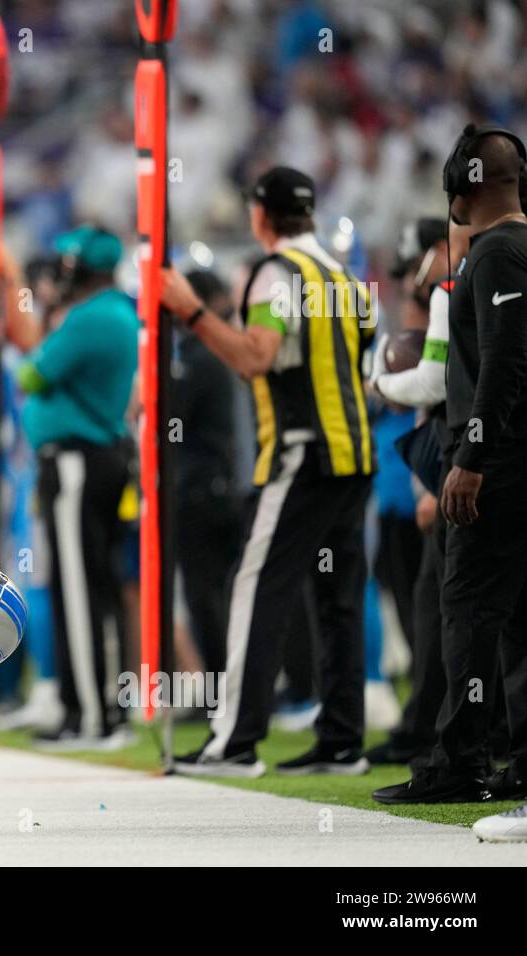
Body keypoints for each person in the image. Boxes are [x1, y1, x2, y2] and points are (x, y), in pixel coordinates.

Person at [159, 166, 375, 777]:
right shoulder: (344, 275)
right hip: (354, 453)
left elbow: (255, 358)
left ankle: (235, 742)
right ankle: (341, 741)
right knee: (338, 601)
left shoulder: (275, 274)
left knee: (255, 588)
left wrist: (193, 312)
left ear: (261, 214)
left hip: (303, 451)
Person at [375, 127, 527, 826]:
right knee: (516, 623)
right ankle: (513, 758)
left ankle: (459, 763)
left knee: (466, 613)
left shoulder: (498, 252)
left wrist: (469, 456)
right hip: (515, 463)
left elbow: (502, 361)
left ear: (465, 187)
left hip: (495, 470)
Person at [16, 226, 138, 749]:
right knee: (88, 588)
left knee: (80, 591)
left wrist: (44, 315)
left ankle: (91, 715)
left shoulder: (93, 317)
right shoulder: (110, 312)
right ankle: (90, 707)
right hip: (86, 461)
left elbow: (32, 375)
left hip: (77, 463)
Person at [364, 218, 463, 767]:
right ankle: (427, 723)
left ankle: (447, 729)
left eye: (411, 273)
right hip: (423, 469)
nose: (406, 291)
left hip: (441, 470)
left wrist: (432, 482)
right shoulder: (443, 291)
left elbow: (434, 383)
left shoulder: (454, 291)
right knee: (422, 600)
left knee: (445, 605)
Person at [174, 270, 244, 680]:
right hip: (223, 485)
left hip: (201, 491)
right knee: (221, 593)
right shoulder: (215, 351)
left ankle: (220, 688)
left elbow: (172, 418)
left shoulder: (198, 356)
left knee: (206, 596)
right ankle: (230, 688)